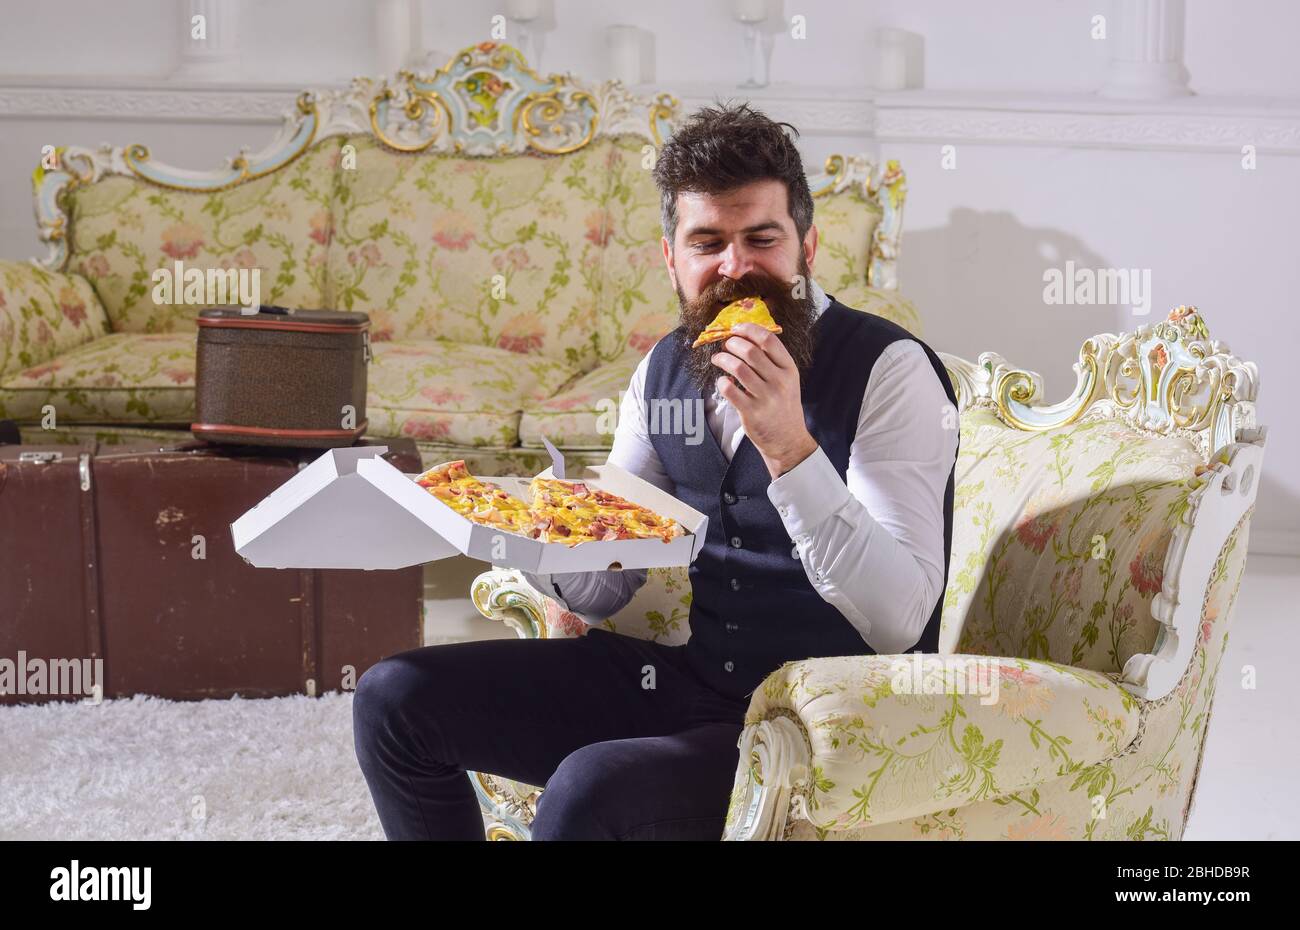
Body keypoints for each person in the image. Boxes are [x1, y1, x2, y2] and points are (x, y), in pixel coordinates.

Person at [352, 102, 960, 841]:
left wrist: (789, 448)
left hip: (830, 723)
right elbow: (609, 584)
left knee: (590, 788)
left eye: (760, 238)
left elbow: (899, 622)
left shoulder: (889, 370)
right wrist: (519, 531)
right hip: (695, 690)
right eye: (707, 242)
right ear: (670, 259)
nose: (735, 268)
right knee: (395, 698)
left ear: (807, 246)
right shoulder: (664, 369)